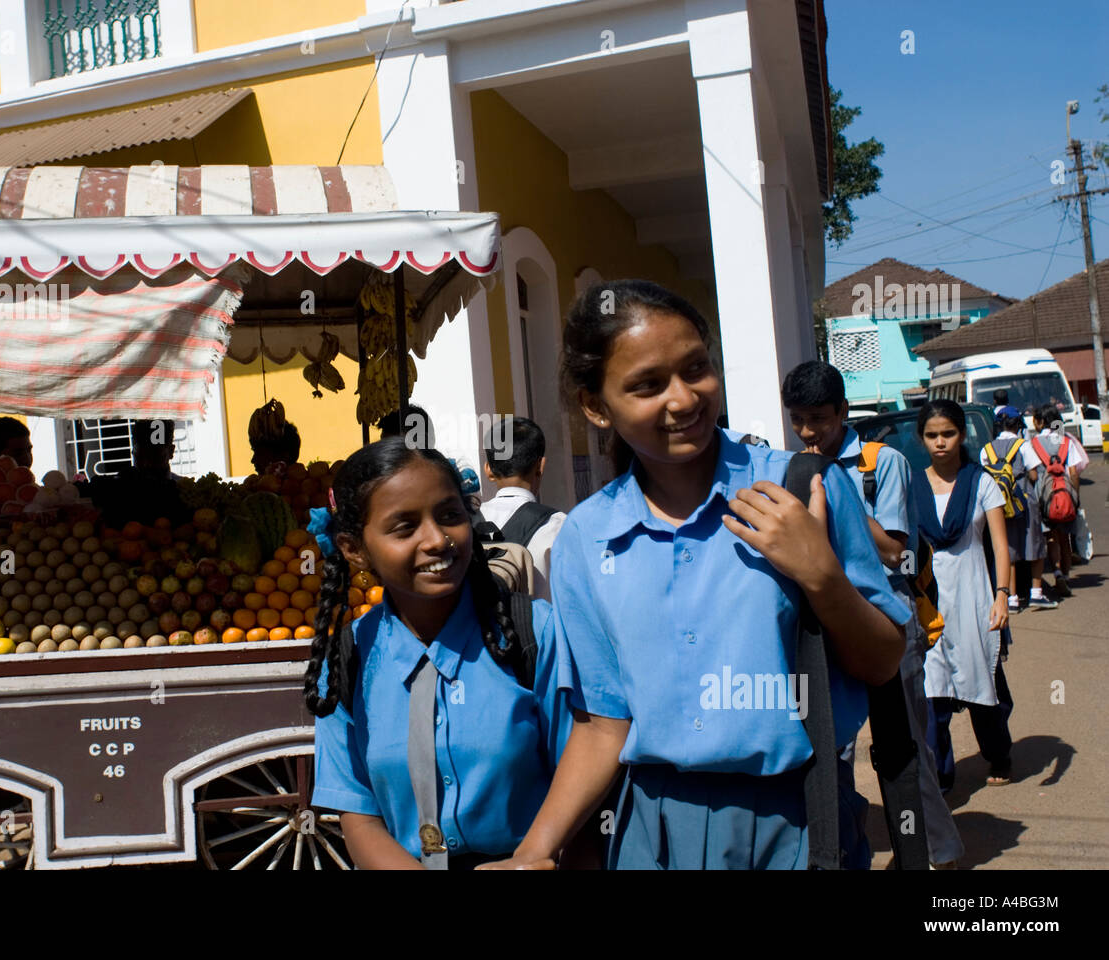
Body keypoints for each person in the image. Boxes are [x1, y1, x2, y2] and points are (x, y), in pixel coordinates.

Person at [479, 280, 907, 871]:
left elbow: (884, 659)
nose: (683, 399)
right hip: (651, 834)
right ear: (596, 406)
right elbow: (604, 725)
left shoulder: (802, 489)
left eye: (696, 369)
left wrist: (823, 577)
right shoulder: (585, 536)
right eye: (648, 385)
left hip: (800, 820)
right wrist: (533, 852)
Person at [307, 438, 571, 869]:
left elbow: (580, 781)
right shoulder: (347, 659)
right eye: (404, 527)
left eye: (450, 515)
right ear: (354, 549)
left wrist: (532, 857)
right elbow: (359, 818)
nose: (437, 540)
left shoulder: (533, 634)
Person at [781, 360, 964, 869]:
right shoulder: (797, 467)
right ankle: (839, 849)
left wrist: (835, 499)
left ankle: (936, 851)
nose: (807, 431)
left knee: (901, 750)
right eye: (798, 419)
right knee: (831, 747)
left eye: (818, 417)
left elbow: (897, 552)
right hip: (827, 625)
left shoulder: (880, 464)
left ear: (843, 411)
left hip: (886, 624)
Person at [913, 400, 1014, 790]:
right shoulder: (913, 485)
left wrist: (1002, 595)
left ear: (961, 435)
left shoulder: (981, 481)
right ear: (922, 439)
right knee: (932, 692)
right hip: (930, 602)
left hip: (975, 597)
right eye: (932, 435)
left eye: (948, 434)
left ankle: (998, 753)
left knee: (983, 687)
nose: (941, 443)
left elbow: (1001, 547)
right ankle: (942, 775)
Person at [477, 417, 567, 602]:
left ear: (488, 470)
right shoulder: (559, 525)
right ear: (540, 466)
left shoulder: (465, 522)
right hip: (534, 629)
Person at [981, 407, 1054, 612]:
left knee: (1008, 549)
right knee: (1035, 546)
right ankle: (1036, 593)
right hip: (1024, 502)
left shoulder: (986, 449)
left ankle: (1011, 598)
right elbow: (1033, 475)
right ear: (1018, 425)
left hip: (999, 505)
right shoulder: (1023, 446)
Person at [1032, 403, 1087, 597]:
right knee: (1065, 539)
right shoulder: (1066, 441)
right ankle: (1065, 575)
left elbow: (1032, 474)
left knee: (1051, 538)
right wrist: (1075, 498)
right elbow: (1073, 473)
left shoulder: (1033, 443)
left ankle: (1056, 573)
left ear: (1039, 421)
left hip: (1044, 499)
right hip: (1065, 497)